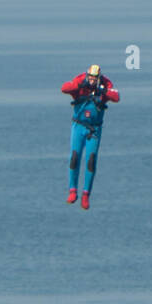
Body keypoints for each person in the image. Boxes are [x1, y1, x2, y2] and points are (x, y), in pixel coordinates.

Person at [61, 64, 119, 209]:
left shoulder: (105, 84)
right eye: (91, 78)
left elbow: (116, 97)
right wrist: (80, 85)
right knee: (74, 157)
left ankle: (86, 194)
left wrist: (104, 90)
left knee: (91, 160)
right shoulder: (80, 81)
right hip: (78, 126)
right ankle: (72, 190)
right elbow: (64, 88)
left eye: (95, 79)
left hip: (94, 129)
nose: (92, 81)